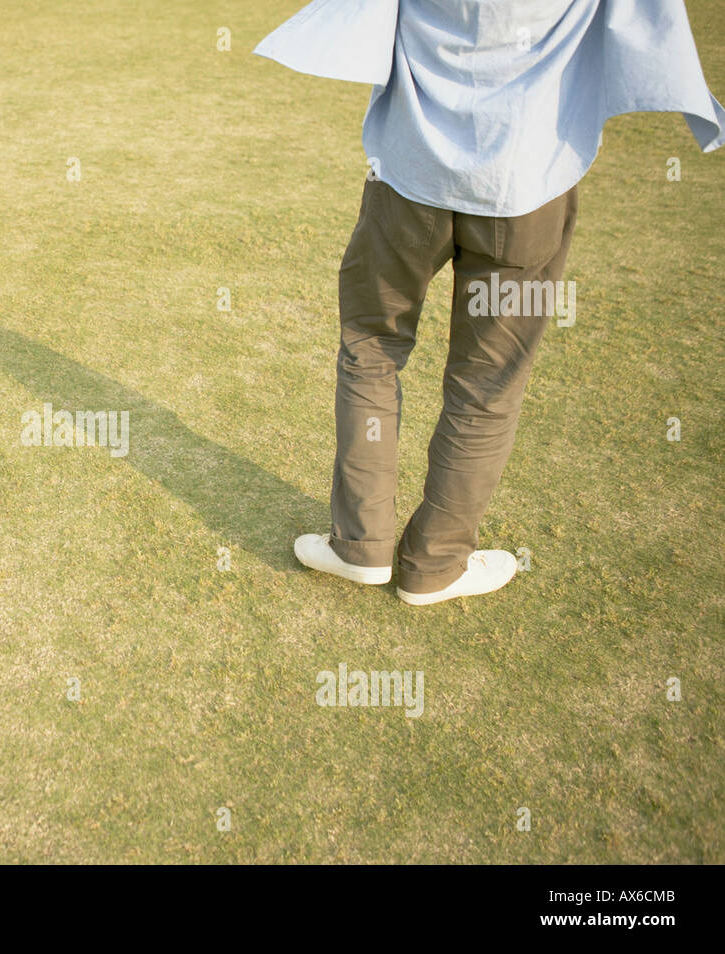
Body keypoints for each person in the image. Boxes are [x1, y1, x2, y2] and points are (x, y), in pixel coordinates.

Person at [255, 0, 724, 604]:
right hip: (525, 180)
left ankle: (360, 546)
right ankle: (434, 565)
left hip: (409, 177)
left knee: (371, 347)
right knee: (487, 383)